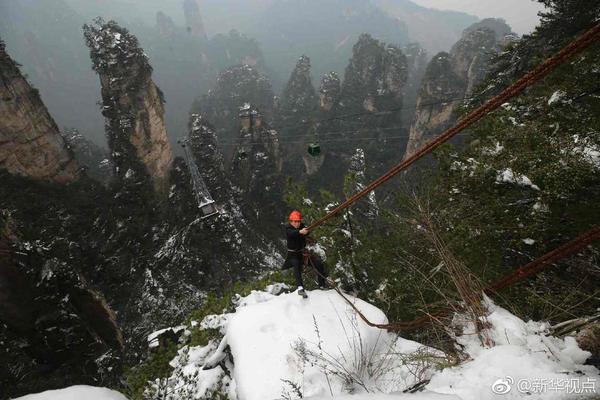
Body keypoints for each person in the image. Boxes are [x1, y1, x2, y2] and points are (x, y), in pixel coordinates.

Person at [283, 210, 327, 298]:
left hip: (302, 254)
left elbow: (307, 231)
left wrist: (307, 231)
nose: (297, 223)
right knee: (296, 266)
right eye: (295, 221)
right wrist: (300, 232)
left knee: (318, 263)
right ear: (291, 222)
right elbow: (292, 234)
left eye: (298, 221)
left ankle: (322, 285)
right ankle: (300, 288)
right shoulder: (288, 228)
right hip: (293, 255)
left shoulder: (302, 226)